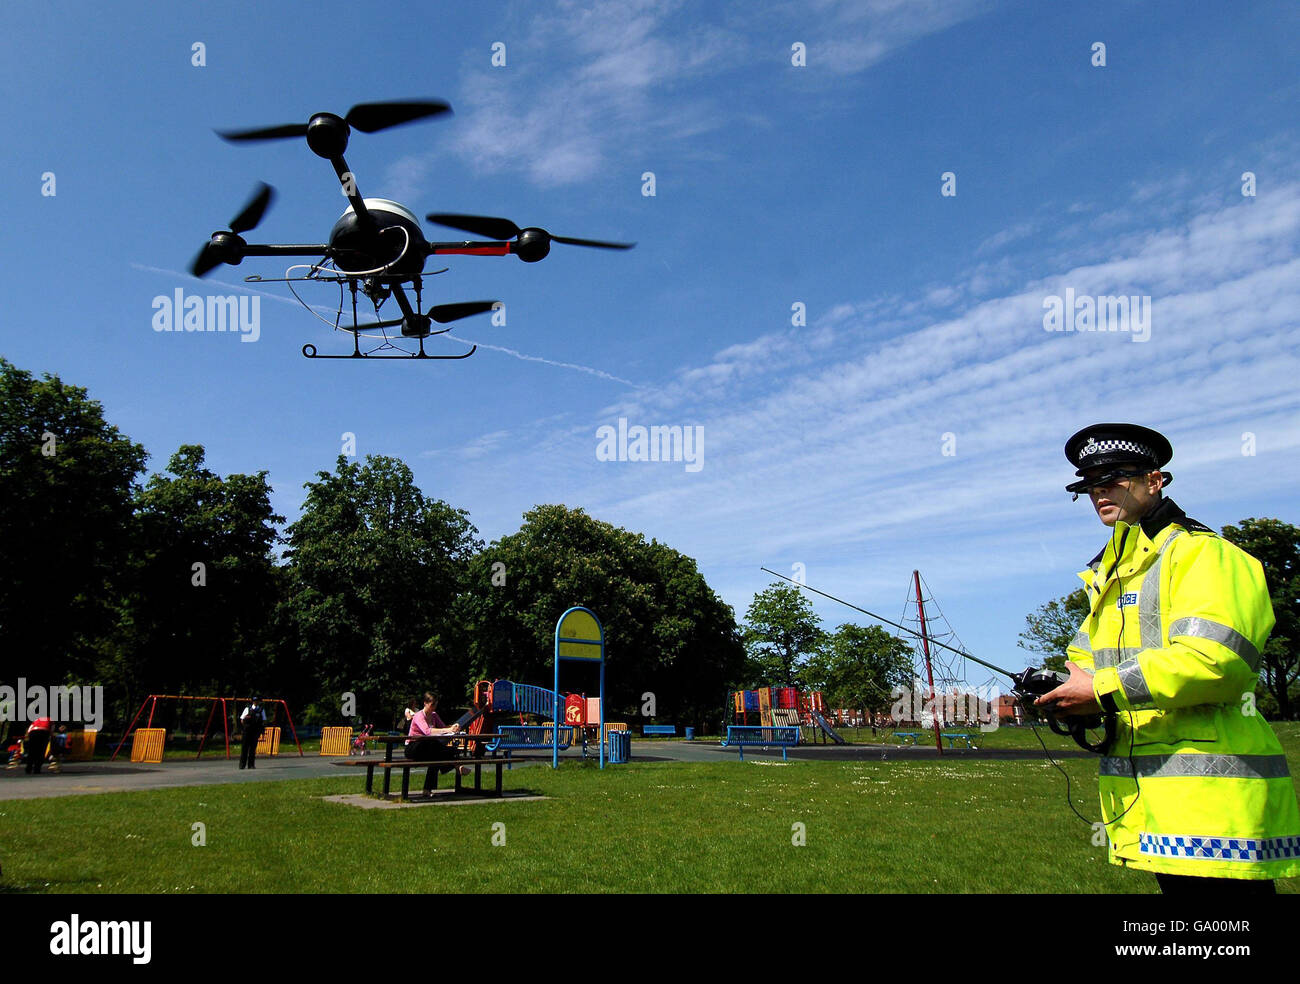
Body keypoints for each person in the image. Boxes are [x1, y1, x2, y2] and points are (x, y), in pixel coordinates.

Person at [1040, 423, 1300, 893]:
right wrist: (1056, 690)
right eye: (1090, 486)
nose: (1100, 493)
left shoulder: (1205, 555)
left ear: (1154, 480)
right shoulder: (1111, 575)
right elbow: (1083, 662)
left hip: (1215, 802)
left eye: (1113, 481)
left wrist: (1099, 690)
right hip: (1154, 798)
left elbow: (1215, 662)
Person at [406, 693, 470, 776]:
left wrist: (454, 728)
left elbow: (443, 728)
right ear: (425, 703)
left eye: (435, 705)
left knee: (436, 756)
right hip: (413, 747)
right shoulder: (419, 716)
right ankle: (456, 766)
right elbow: (427, 732)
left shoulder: (434, 715)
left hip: (428, 748)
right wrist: (448, 729)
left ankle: (427, 789)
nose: (434, 707)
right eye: (432, 705)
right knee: (438, 747)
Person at [239, 698, 265, 770]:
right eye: (255, 701)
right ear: (252, 701)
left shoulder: (261, 710)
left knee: (252, 749)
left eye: (257, 701)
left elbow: (263, 720)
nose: (256, 702)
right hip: (247, 731)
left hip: (255, 731)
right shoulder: (247, 709)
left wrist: (260, 729)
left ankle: (251, 765)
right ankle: (242, 765)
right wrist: (246, 726)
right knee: (244, 748)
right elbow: (242, 719)